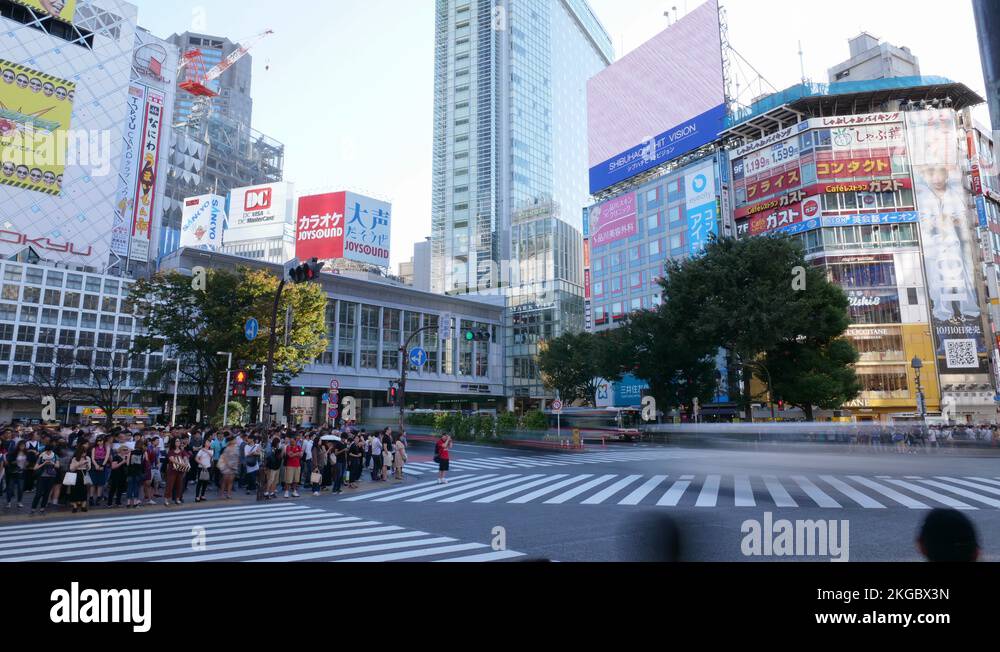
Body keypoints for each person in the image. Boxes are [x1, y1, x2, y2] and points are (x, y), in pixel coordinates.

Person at [30, 446, 58, 516]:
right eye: (47, 451)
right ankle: (33, 509)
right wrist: (44, 463)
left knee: (47, 493)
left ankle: (42, 508)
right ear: (45, 451)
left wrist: (52, 463)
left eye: (50, 451)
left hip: (51, 477)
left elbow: (58, 466)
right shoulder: (41, 456)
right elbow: (35, 468)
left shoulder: (55, 456)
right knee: (38, 494)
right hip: (42, 477)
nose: (48, 453)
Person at [164, 437, 190, 506]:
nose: (178, 442)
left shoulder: (182, 451)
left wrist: (186, 462)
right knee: (170, 485)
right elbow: (172, 459)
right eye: (176, 441)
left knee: (179, 485)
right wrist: (182, 464)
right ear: (173, 443)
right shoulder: (171, 451)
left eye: (178, 441)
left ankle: (177, 499)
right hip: (172, 471)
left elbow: (185, 457)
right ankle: (166, 499)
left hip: (180, 471)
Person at [67, 443, 91, 513]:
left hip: (84, 474)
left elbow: (89, 468)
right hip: (76, 474)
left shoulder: (88, 458)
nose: (84, 454)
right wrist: (79, 464)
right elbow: (71, 468)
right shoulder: (74, 459)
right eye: (83, 453)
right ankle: (75, 506)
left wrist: (87, 465)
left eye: (85, 452)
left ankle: (83, 505)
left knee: (84, 490)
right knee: (74, 490)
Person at [89, 435, 111, 507]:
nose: (99, 442)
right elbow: (92, 458)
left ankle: (98, 498)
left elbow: (107, 457)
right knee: (93, 482)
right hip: (94, 464)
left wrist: (102, 465)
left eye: (101, 441)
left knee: (100, 483)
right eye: (98, 441)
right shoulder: (94, 448)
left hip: (102, 463)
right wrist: (95, 465)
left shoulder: (106, 447)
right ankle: (91, 498)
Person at [4, 441, 27, 509]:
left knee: (20, 488)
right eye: (21, 445)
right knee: (10, 488)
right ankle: (8, 502)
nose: (22, 447)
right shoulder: (14, 453)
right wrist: (15, 462)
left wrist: (26, 464)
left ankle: (19, 502)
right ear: (18, 446)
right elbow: (9, 461)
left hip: (21, 473)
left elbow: (28, 461)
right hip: (13, 473)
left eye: (23, 445)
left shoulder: (26, 453)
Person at [125, 442, 146, 509]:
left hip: (130, 472)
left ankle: (128, 503)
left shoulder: (130, 452)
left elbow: (127, 463)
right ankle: (135, 502)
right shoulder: (143, 453)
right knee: (136, 487)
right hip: (138, 472)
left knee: (129, 487)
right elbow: (143, 463)